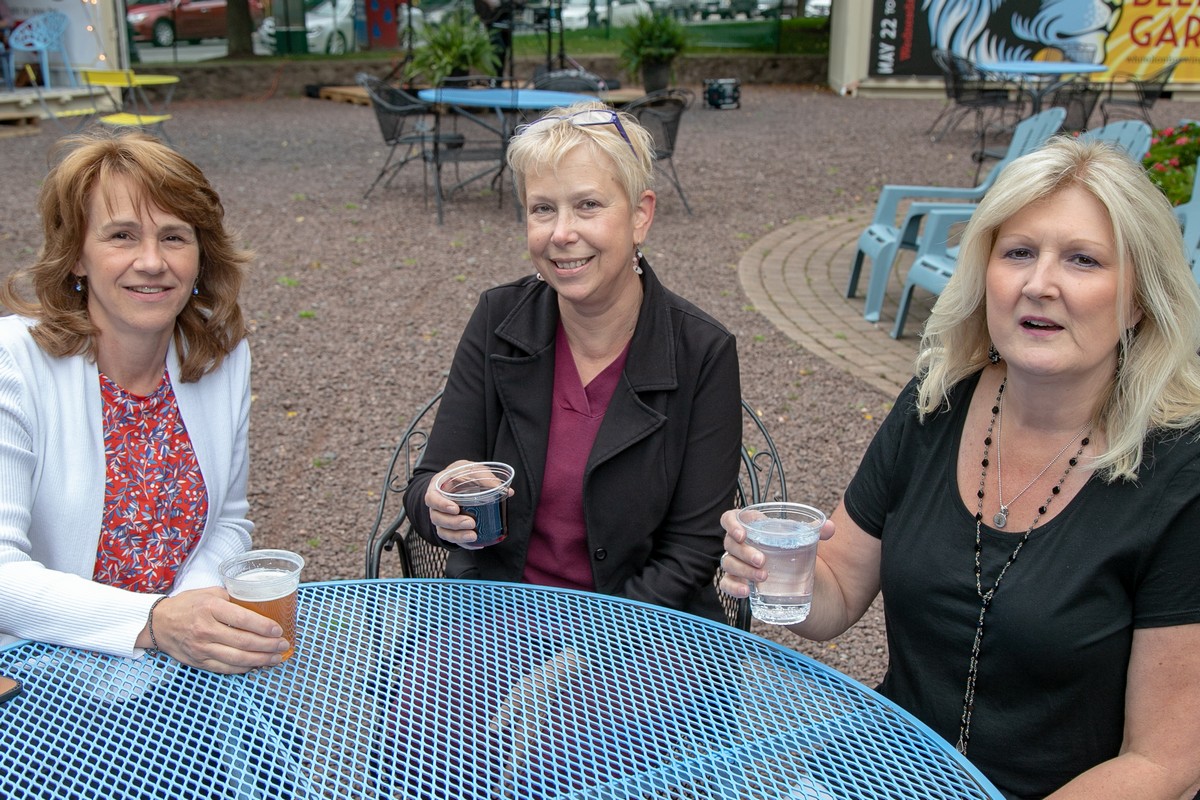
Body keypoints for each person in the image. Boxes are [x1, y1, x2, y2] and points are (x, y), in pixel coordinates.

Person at [720, 137, 1200, 800]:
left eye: (1083, 260)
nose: (1040, 284)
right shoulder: (935, 404)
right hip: (881, 770)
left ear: (1140, 299)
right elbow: (833, 596)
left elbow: (1164, 760)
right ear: (986, 273)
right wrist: (772, 570)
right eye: (1019, 252)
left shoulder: (1181, 472)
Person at [403, 101, 741, 623]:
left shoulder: (701, 351)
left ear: (640, 215)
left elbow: (692, 554)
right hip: (493, 615)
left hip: (643, 633)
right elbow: (427, 486)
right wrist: (439, 503)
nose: (561, 233)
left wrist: (588, 653)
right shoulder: (498, 319)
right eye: (542, 209)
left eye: (587, 205)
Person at [0, 130, 288, 674]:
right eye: (122, 236)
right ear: (77, 257)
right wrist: (155, 622)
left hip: (182, 668)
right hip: (40, 673)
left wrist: (192, 616)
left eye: (174, 237)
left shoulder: (220, 353)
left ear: (201, 257)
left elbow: (229, 520)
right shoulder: (12, 362)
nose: (152, 261)